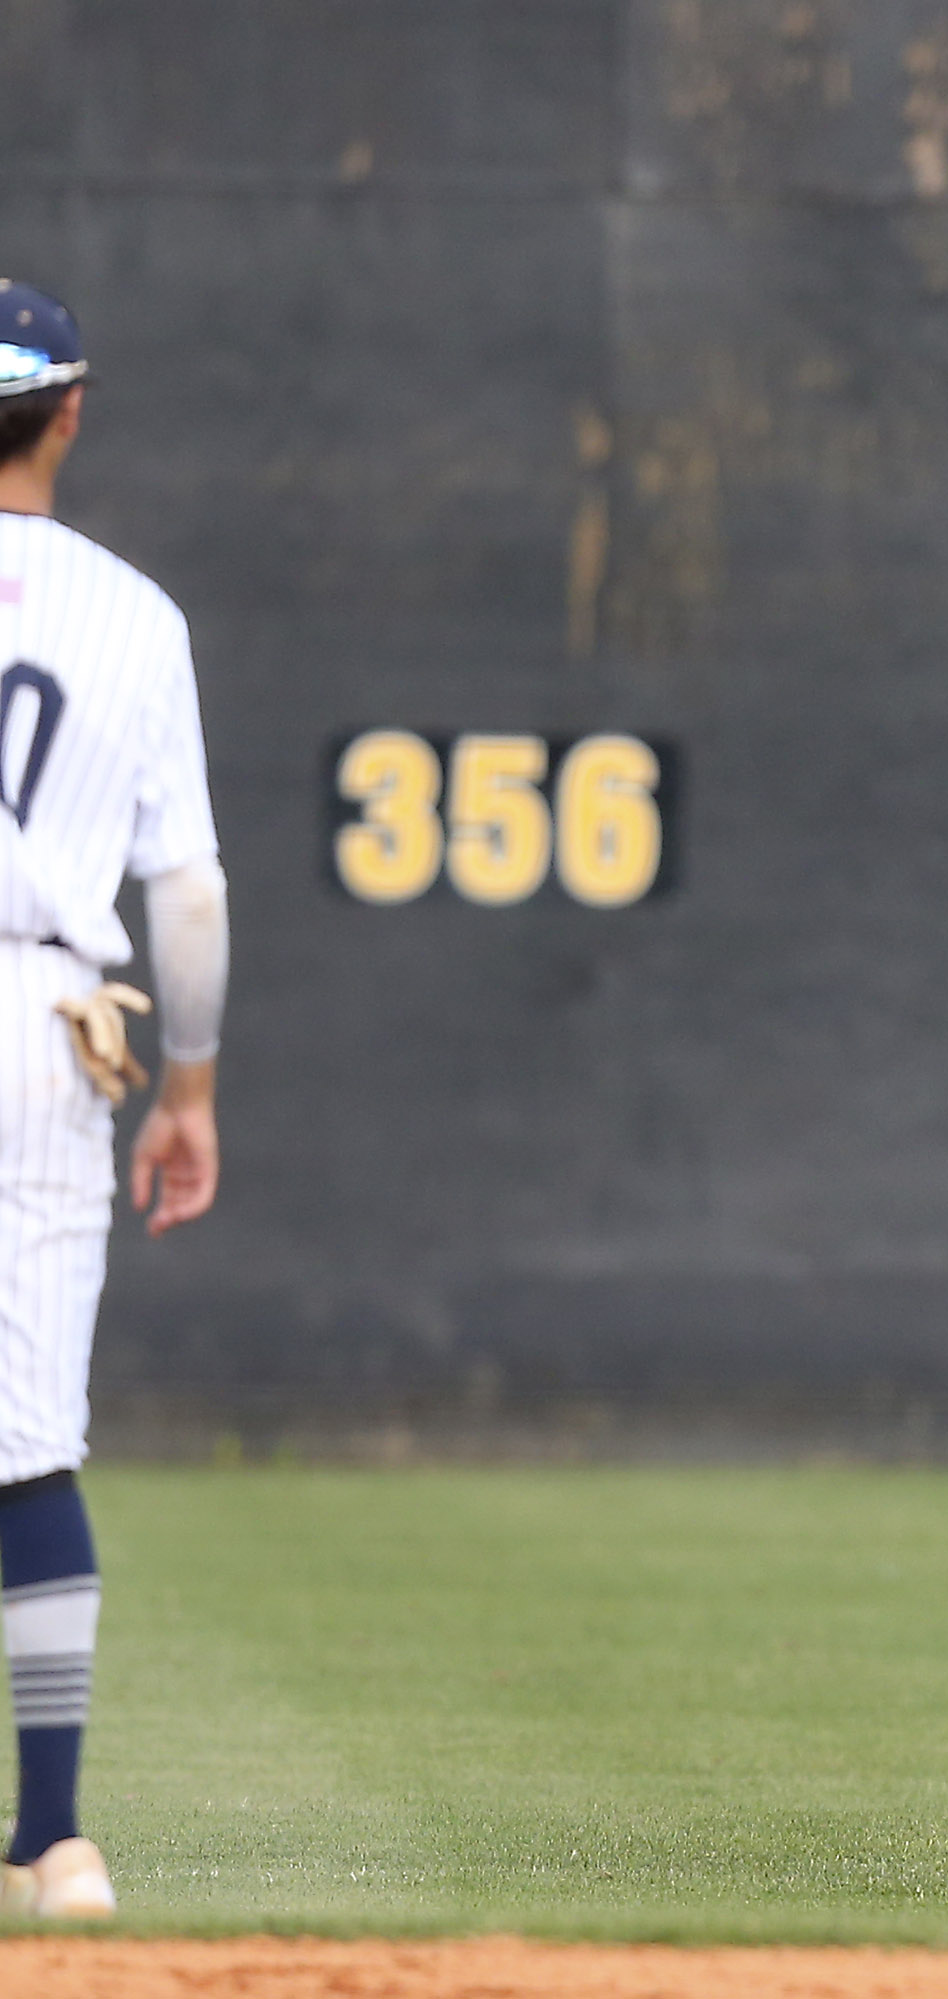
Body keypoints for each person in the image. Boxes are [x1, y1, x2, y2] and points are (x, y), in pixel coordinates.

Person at [0, 281, 228, 1920]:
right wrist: (191, 1088)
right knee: (24, 1436)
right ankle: (56, 1835)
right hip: (37, 1014)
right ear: (68, 409)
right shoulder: (133, 612)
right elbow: (191, 893)